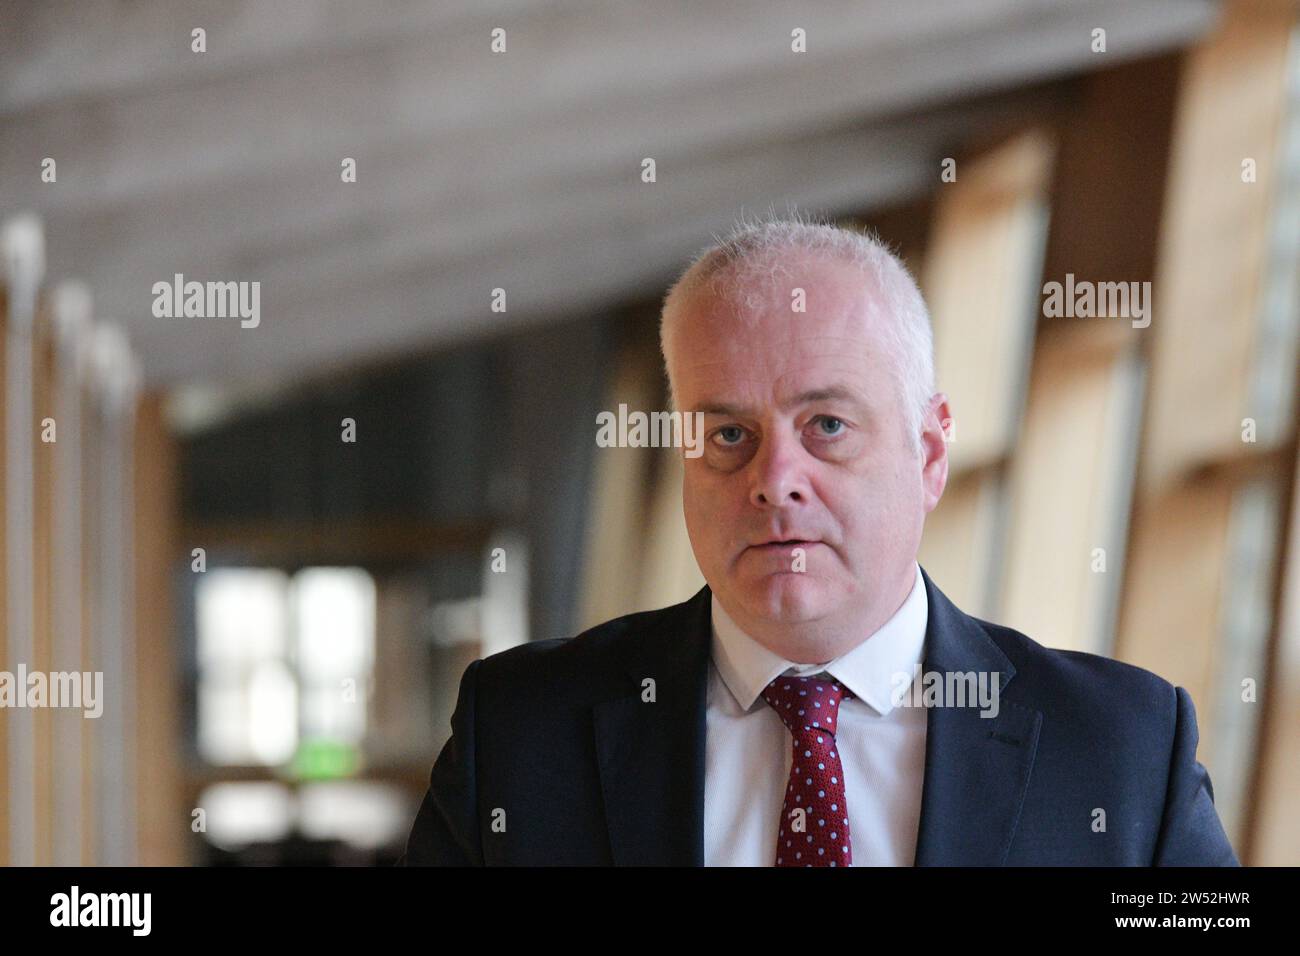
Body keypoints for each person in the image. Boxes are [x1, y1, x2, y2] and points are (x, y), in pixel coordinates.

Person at [398, 212, 1239, 866]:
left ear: (931, 454)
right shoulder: (521, 734)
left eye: (827, 425)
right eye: (728, 435)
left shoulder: (1119, 748)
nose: (775, 478)